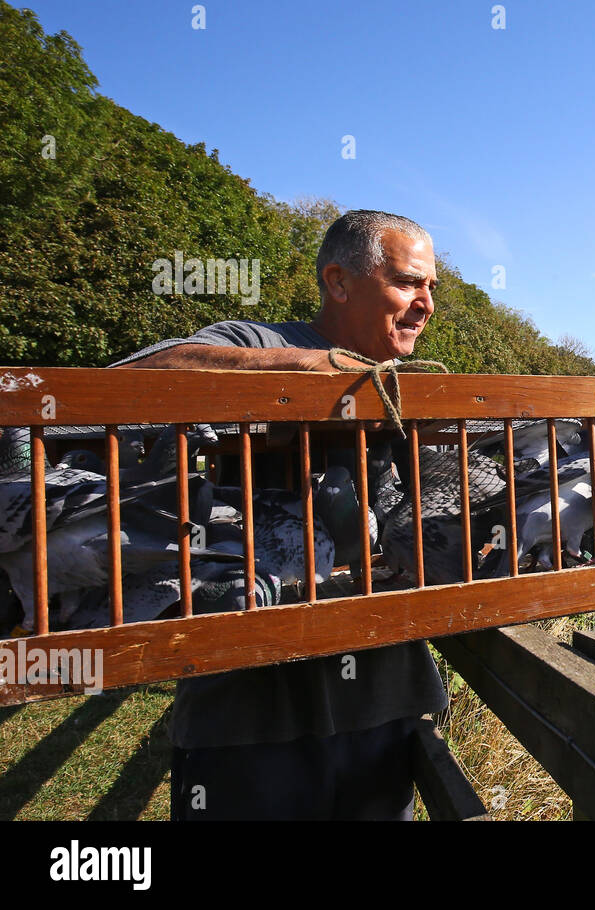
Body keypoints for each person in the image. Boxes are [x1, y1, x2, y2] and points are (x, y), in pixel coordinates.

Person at [111, 210, 448, 820]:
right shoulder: (257, 344)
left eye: (431, 288)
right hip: (244, 708)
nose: (426, 304)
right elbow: (130, 379)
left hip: (383, 699)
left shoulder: (413, 388)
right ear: (339, 281)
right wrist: (313, 371)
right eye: (407, 282)